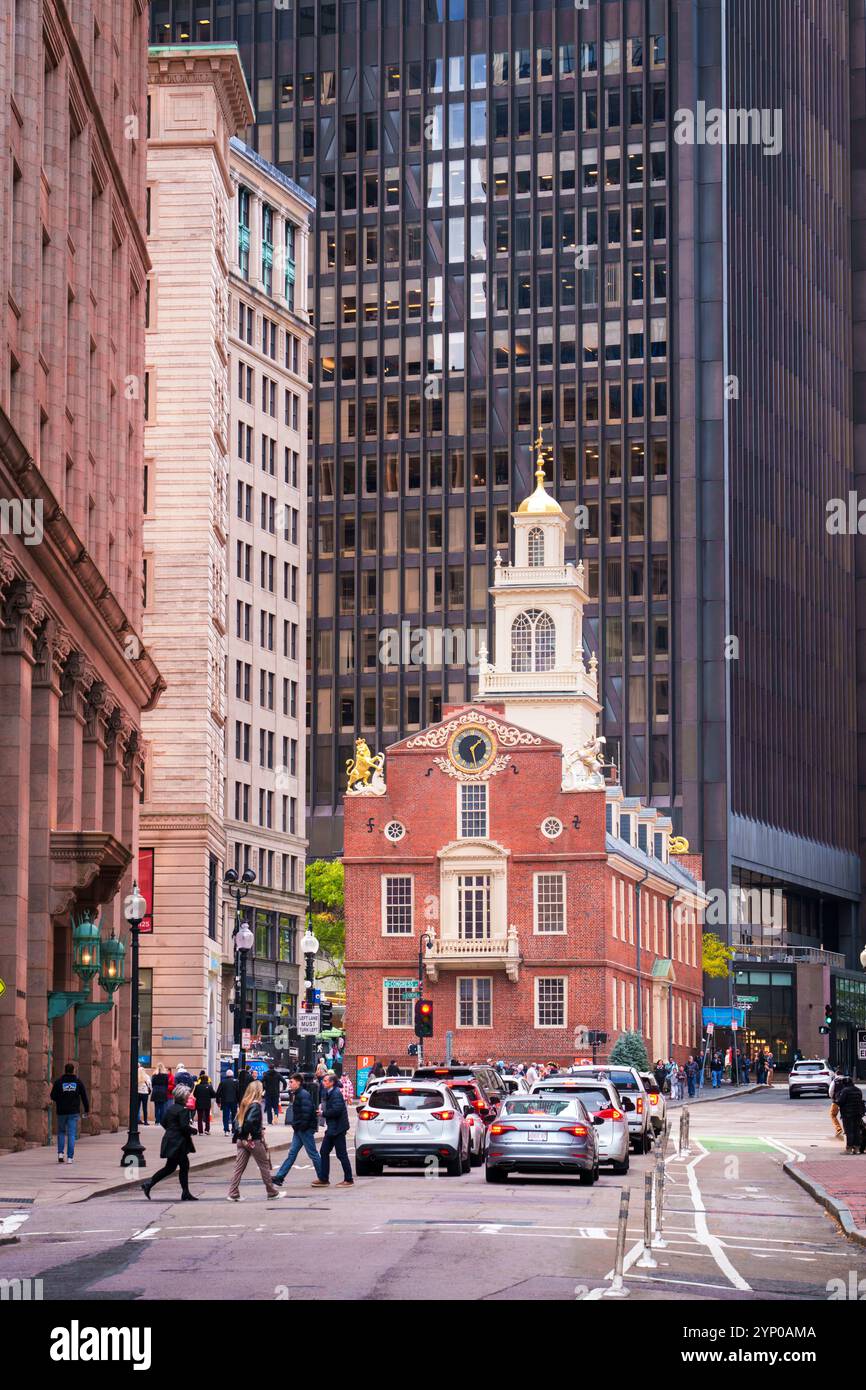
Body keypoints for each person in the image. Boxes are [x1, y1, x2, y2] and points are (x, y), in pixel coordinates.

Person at [227, 1081, 285, 1201]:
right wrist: (252, 1132)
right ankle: (272, 1192)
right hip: (253, 1141)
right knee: (264, 1165)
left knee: (239, 1168)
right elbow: (249, 1122)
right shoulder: (256, 1105)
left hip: (242, 1141)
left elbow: (237, 1122)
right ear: (258, 1091)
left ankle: (233, 1192)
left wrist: (242, 1136)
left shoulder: (244, 1103)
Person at [141, 1084, 198, 1201]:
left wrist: (171, 1130)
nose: (189, 1097)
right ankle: (184, 1192)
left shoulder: (171, 1108)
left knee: (172, 1167)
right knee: (181, 1166)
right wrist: (193, 1130)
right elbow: (183, 1126)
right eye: (187, 1096)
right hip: (179, 1142)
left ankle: (150, 1184)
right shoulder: (183, 1110)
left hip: (170, 1139)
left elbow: (163, 1122)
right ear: (183, 1097)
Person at [272, 1074, 321, 1185]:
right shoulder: (298, 1094)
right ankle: (280, 1177)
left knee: (312, 1154)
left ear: (298, 1082)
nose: (290, 1084)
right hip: (300, 1129)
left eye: (292, 1082)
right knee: (292, 1153)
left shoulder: (303, 1095)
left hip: (304, 1129)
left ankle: (323, 1177)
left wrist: (301, 1127)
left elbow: (307, 1113)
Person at [312, 1072, 354, 1188]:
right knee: (324, 1151)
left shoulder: (336, 1093)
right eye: (323, 1080)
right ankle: (324, 1178)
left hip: (338, 1128)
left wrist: (323, 1113)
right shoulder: (329, 1092)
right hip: (332, 1128)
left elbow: (337, 1110)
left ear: (332, 1083)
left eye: (326, 1081)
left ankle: (348, 1179)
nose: (323, 1082)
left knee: (341, 1154)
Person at [50, 1063, 90, 1164]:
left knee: (61, 1132)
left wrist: (61, 1098)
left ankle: (60, 1153)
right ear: (73, 1070)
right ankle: (70, 1158)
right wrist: (87, 1109)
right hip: (73, 1112)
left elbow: (53, 1096)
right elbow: (84, 1097)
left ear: (65, 1070)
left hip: (61, 1111)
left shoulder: (59, 1082)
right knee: (72, 1134)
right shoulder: (78, 1082)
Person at [835, 1075, 866, 1154]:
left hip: (847, 1114)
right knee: (856, 1131)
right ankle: (857, 1149)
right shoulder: (858, 1090)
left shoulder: (845, 1091)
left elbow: (840, 1102)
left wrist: (836, 1097)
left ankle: (849, 1149)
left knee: (849, 1131)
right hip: (858, 1114)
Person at [216, 1069, 240, 1136]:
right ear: (232, 1075)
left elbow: (218, 1093)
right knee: (234, 1116)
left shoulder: (223, 1082)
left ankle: (226, 1130)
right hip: (234, 1101)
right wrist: (239, 1101)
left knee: (225, 1116)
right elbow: (238, 1092)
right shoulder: (236, 1082)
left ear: (226, 1075)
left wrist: (218, 1102)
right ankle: (234, 1129)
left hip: (225, 1101)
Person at [192, 1070, 215, 1135]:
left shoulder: (197, 1086)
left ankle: (200, 1131)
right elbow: (213, 1094)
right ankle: (207, 1130)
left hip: (199, 1103)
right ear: (207, 1079)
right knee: (207, 1117)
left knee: (200, 1118)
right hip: (207, 1103)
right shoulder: (209, 1086)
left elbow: (194, 1094)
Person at [829, 1072, 845, 1141]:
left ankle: (838, 1129)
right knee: (845, 1116)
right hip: (845, 1102)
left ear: (836, 1074)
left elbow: (830, 1091)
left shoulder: (835, 1081)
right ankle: (846, 1130)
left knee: (832, 1115)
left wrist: (832, 1097)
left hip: (836, 1101)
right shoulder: (847, 1080)